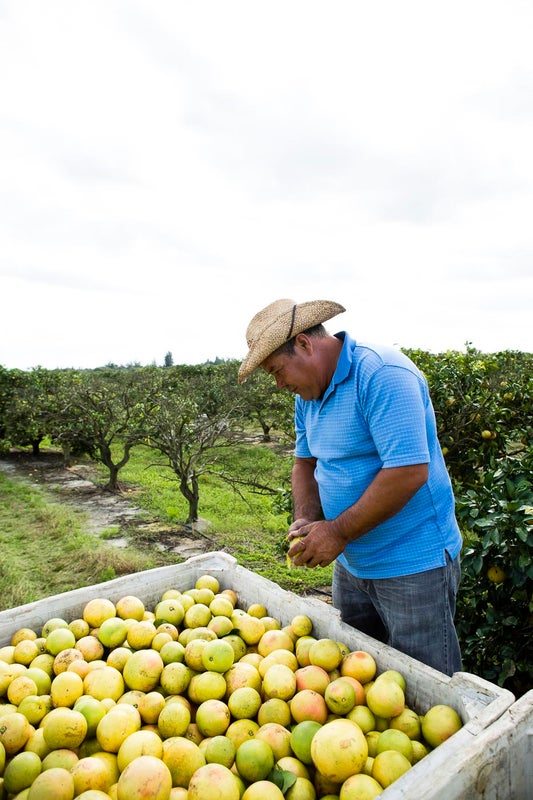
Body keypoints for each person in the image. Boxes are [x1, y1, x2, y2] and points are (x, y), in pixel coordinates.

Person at [238, 298, 463, 676]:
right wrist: (307, 518)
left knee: (427, 686)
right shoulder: (307, 396)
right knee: (355, 678)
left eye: (278, 371)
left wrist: (337, 531)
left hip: (411, 564)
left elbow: (408, 471)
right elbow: (305, 462)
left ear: (305, 345)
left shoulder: (383, 374)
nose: (279, 384)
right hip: (352, 564)